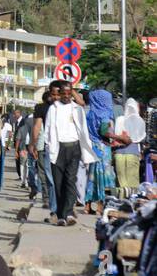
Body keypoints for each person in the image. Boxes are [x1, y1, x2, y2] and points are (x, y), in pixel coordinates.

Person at [44, 80, 94, 227]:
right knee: (58, 183)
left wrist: (86, 152)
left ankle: (69, 214)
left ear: (71, 93)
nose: (66, 96)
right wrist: (49, 147)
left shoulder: (77, 109)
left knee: (70, 180)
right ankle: (60, 215)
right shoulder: (53, 109)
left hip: (74, 148)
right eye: (63, 93)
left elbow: (84, 131)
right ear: (59, 94)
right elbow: (48, 130)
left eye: (68, 93)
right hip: (58, 149)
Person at [83, 88, 126, 213]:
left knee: (92, 176)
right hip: (103, 147)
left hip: (93, 147)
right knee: (104, 177)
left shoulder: (90, 114)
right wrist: (120, 138)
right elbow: (104, 131)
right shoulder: (105, 113)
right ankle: (101, 206)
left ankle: (87, 205)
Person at [31, 87, 56, 214]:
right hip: (59, 146)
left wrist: (32, 144)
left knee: (44, 173)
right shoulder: (60, 108)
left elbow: (37, 127)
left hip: (43, 145)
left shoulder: (40, 108)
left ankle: (47, 199)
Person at [114, 99, 145, 192]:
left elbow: (116, 134)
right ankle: (131, 202)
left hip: (119, 153)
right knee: (133, 184)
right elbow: (141, 138)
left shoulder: (119, 119)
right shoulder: (139, 120)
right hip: (133, 153)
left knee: (121, 184)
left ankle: (121, 202)